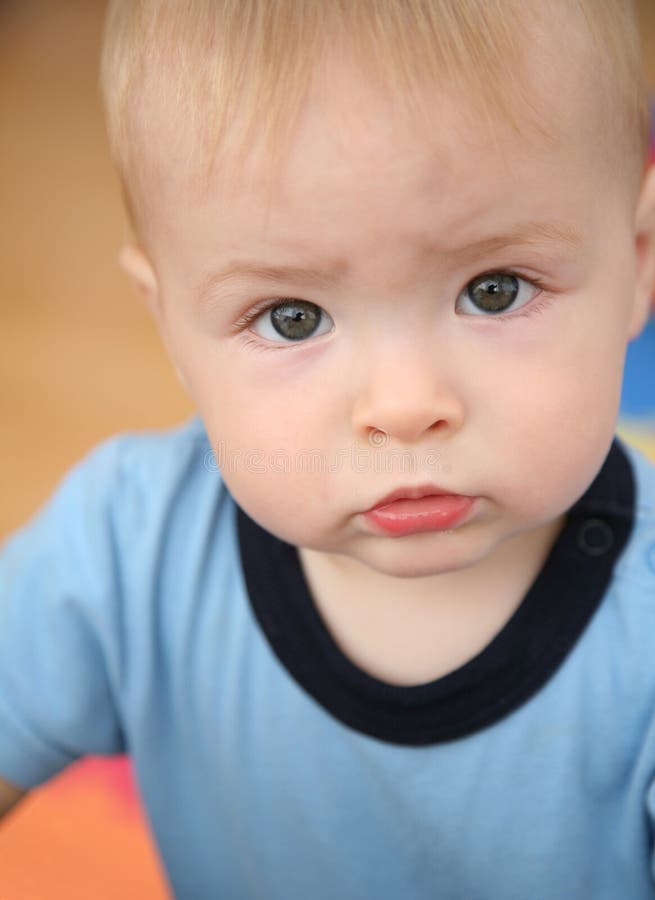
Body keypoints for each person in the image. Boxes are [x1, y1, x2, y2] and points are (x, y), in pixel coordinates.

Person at [2, 0, 655, 896]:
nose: (404, 406)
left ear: (638, 260)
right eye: (291, 316)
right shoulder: (126, 550)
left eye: (495, 290)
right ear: (170, 328)